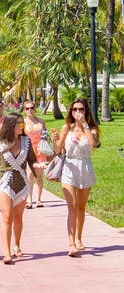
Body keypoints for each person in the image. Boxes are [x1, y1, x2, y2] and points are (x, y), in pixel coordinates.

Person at [0, 113, 38, 264]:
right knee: (7, 216)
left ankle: (17, 245)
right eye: (18, 124)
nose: (21, 127)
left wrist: (38, 166)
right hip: (4, 182)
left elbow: (32, 161)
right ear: (10, 126)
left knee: (18, 217)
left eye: (22, 125)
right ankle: (7, 253)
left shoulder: (26, 142)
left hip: (21, 183)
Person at [49, 97, 99, 257]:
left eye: (81, 109)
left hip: (85, 168)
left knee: (81, 207)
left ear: (86, 111)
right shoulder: (66, 128)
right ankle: (71, 244)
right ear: (71, 111)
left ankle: (79, 238)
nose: (77, 112)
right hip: (69, 168)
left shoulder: (91, 129)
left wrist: (83, 124)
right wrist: (56, 141)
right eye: (75, 109)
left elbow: (92, 144)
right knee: (72, 206)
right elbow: (58, 150)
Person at [23, 99, 47, 208]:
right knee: (29, 175)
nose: (29, 110)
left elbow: (45, 135)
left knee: (39, 175)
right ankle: (29, 200)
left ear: (35, 109)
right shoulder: (22, 122)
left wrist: (46, 137)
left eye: (31, 108)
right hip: (28, 150)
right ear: (24, 110)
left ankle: (39, 199)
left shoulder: (41, 121)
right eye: (27, 108)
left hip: (40, 150)